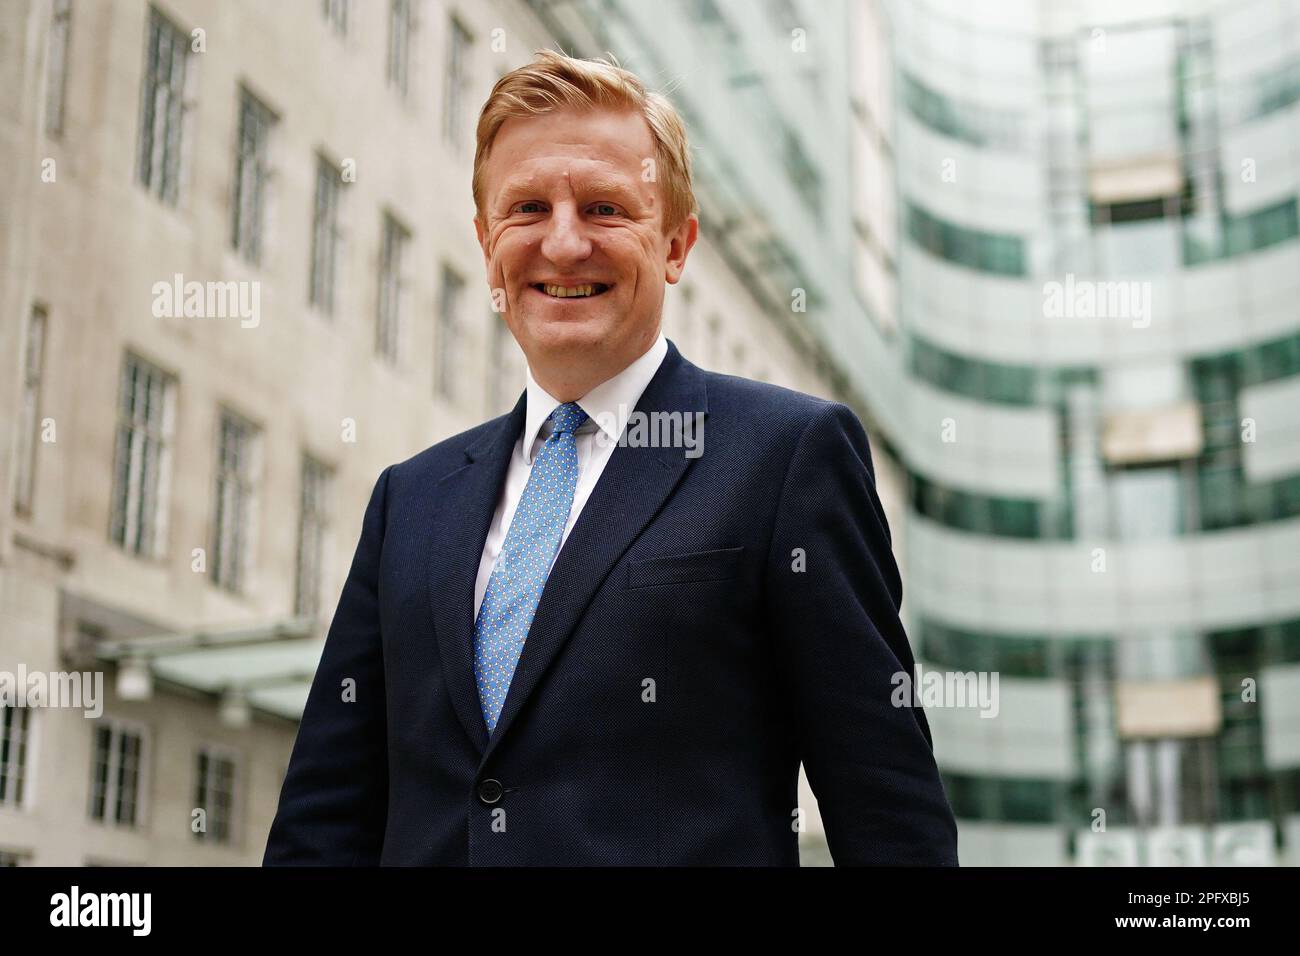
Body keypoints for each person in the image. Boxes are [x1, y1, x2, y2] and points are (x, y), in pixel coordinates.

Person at [264, 49, 958, 866]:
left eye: (603, 208)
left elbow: (889, 815)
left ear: (674, 245)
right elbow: (323, 821)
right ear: (486, 242)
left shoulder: (787, 458)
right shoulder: (408, 500)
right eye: (527, 208)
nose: (563, 244)